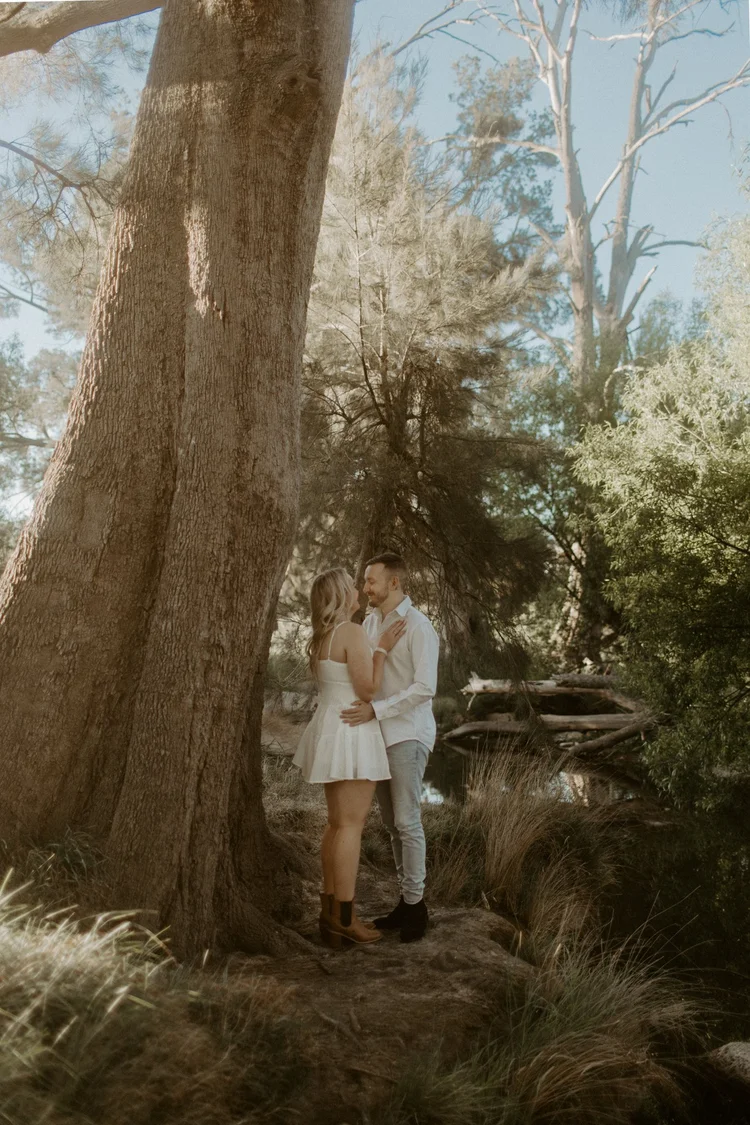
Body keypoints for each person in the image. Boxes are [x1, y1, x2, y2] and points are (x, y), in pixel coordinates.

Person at [292, 566, 406, 950]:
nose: (360, 589)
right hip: (351, 734)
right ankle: (345, 918)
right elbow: (369, 690)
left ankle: (330, 912)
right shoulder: (352, 632)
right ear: (341, 595)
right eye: (352, 586)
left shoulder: (323, 636)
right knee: (351, 827)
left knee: (337, 825)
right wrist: (381, 649)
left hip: (331, 730)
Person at [341, 552, 439, 943]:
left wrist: (377, 710)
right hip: (377, 735)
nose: (365, 588)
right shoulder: (368, 623)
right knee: (390, 825)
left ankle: (417, 907)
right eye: (365, 582)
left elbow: (425, 688)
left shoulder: (419, 627)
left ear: (394, 583)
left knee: (407, 821)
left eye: (371, 581)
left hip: (407, 734)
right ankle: (406, 902)